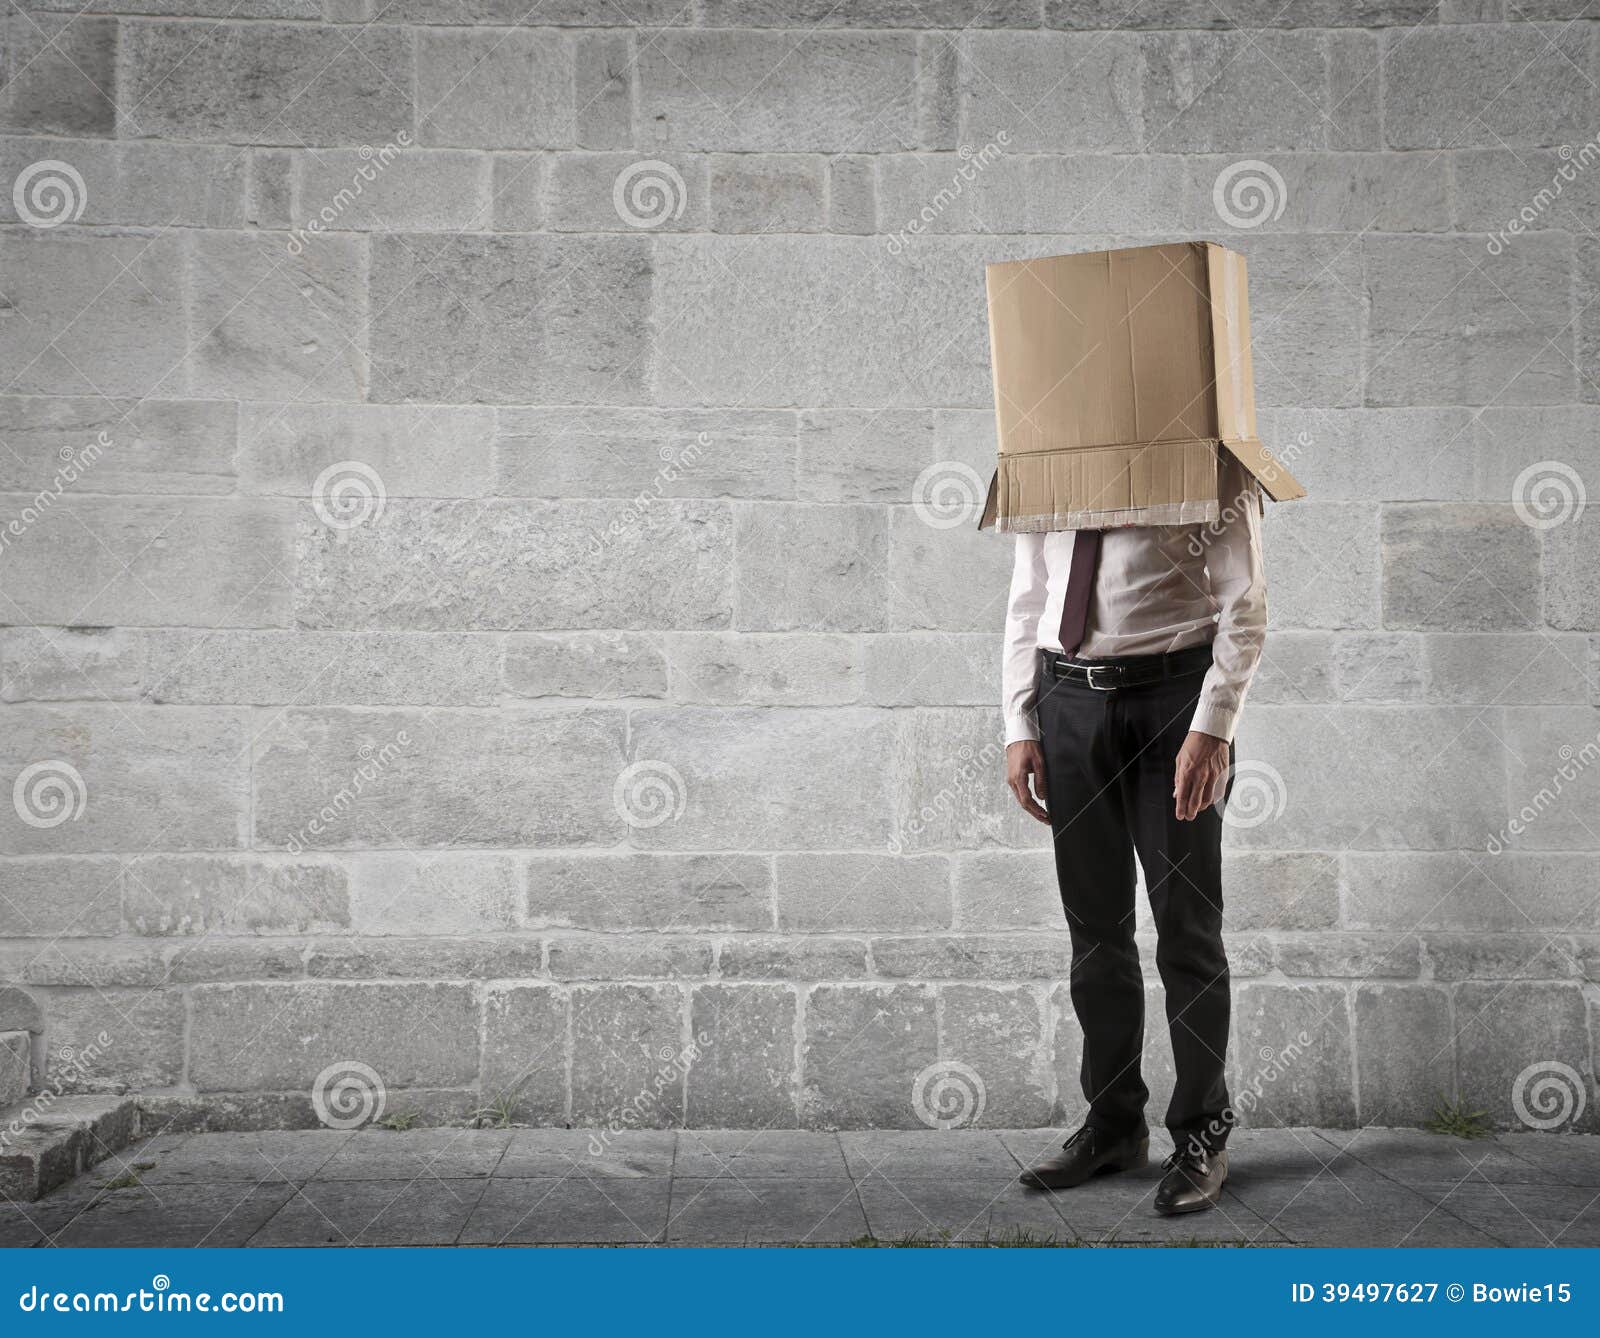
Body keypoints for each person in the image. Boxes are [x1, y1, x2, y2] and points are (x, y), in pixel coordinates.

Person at [1002, 452, 1266, 1215]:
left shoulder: (1209, 458)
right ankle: (1115, 1124)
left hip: (1173, 703)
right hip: (1068, 701)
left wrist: (1213, 726)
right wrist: (1019, 721)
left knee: (1187, 932)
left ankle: (1203, 1134)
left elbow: (1245, 601)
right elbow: (1029, 595)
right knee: (1095, 933)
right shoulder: (1050, 451)